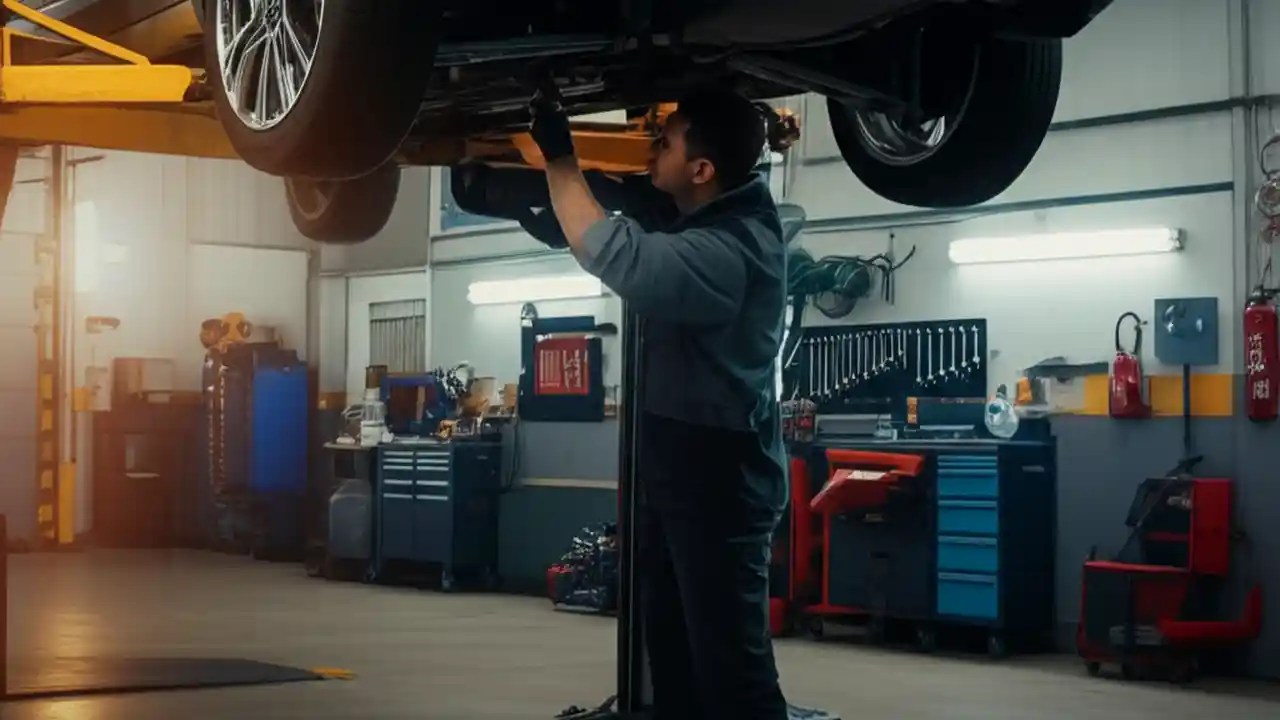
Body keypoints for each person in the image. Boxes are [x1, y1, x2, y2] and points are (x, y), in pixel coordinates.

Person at [524, 86, 830, 720]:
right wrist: (577, 199)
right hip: (683, 472)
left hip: (718, 482)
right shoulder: (716, 217)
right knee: (672, 652)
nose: (652, 143)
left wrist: (561, 158)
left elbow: (618, 255)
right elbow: (636, 225)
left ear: (702, 170)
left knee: (731, 671)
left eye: (666, 140)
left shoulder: (726, 253)